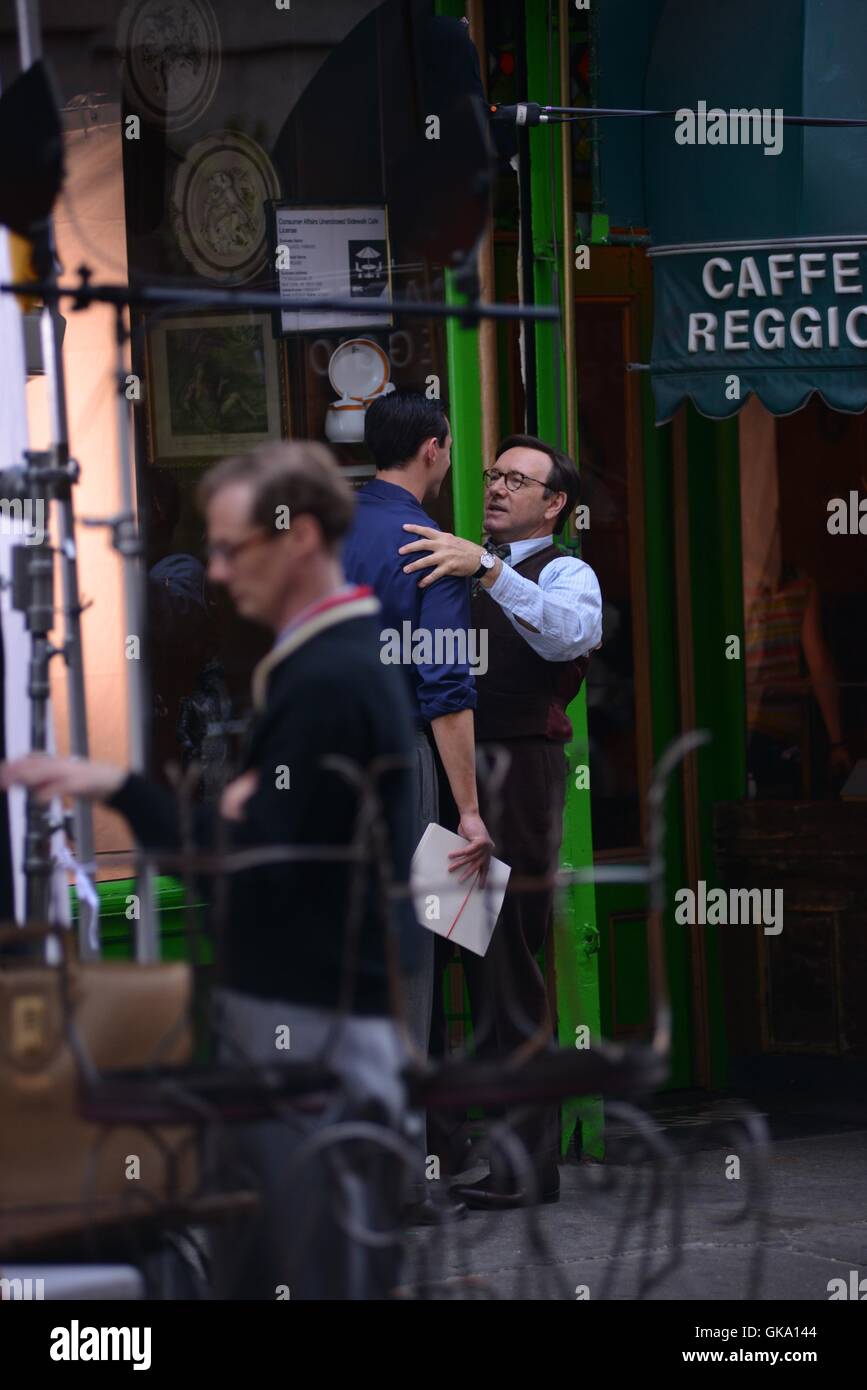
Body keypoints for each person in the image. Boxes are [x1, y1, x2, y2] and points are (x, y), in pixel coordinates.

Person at [1, 440, 420, 1299]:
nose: (219, 574)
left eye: (231, 547)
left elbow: (250, 873)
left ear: (297, 535)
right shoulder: (328, 660)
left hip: (310, 1034)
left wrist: (124, 790)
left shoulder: (324, 676)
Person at [398, 433, 603, 1209]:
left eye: (517, 481)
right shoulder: (458, 564)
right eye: (492, 475)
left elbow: (569, 633)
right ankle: (439, 1147)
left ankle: (524, 1165)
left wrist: (486, 568)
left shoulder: (565, 572)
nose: (495, 489)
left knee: (507, 961)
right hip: (453, 778)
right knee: (444, 951)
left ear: (554, 504)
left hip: (514, 778)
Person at [342, 390, 492, 1221]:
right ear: (433, 449)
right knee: (412, 966)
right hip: (404, 765)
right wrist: (468, 812)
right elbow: (445, 690)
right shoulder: (428, 546)